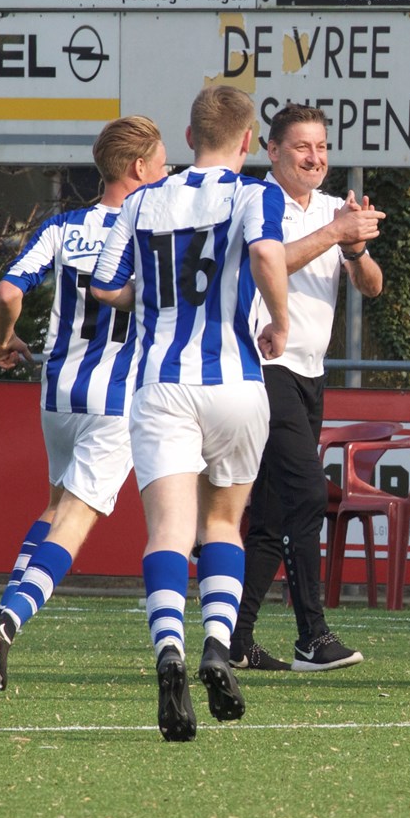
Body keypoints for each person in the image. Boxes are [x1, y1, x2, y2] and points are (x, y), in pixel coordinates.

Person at [90, 85, 289, 742]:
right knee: (225, 522)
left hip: (160, 385)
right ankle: (216, 644)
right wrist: (281, 321)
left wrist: (148, 299)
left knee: (170, 531)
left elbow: (105, 284)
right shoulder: (255, 194)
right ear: (245, 139)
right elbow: (263, 254)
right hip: (234, 378)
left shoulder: (144, 200)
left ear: (189, 130)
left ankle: (168, 649)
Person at [0, 117, 169, 691]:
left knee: (55, 507)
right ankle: (6, 622)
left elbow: (8, 289)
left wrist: (4, 339)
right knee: (74, 526)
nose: (168, 171)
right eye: (161, 162)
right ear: (138, 169)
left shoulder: (63, 227)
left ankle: (4, 619)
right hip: (115, 398)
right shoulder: (150, 229)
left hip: (57, 394)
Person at [231, 104, 384, 674]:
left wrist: (355, 247)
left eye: (321, 147)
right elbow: (268, 263)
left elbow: (371, 287)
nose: (315, 157)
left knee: (272, 518)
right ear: (271, 151)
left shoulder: (333, 210)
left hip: (309, 375)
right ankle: (312, 636)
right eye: (302, 147)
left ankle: (236, 639)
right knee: (307, 497)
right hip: (264, 366)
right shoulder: (256, 201)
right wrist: (334, 232)